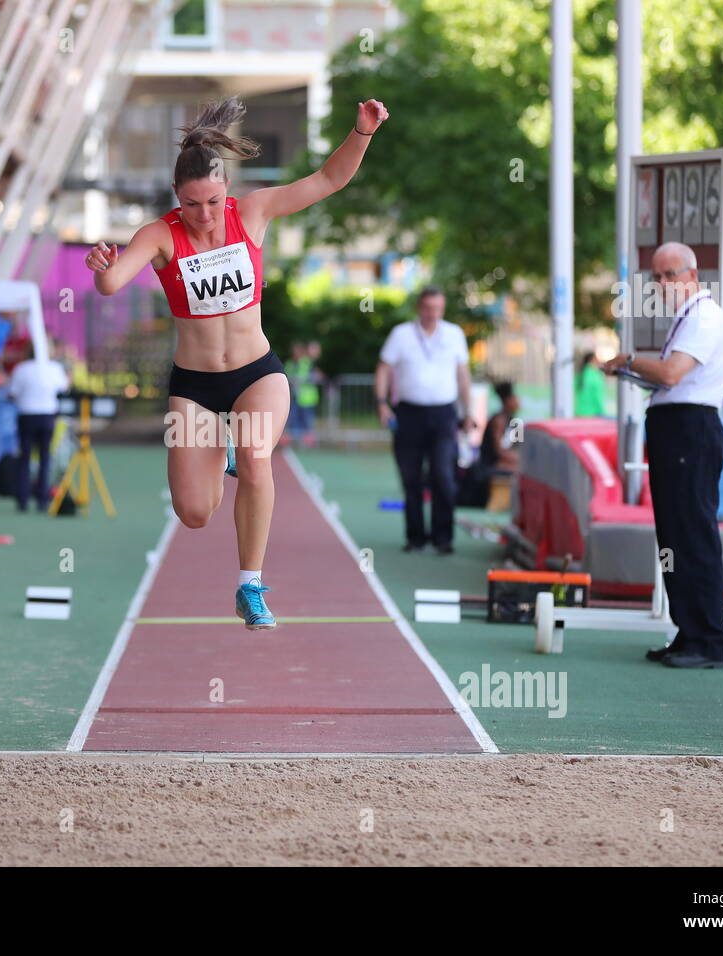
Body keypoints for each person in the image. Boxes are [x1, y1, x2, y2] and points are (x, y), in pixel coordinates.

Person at [86, 95, 389, 629]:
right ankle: (217, 451)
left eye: (211, 201)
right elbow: (112, 283)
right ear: (176, 197)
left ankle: (249, 586)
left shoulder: (252, 212)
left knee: (256, 458)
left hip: (257, 373)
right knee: (195, 513)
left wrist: (361, 133)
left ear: (226, 189)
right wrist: (100, 266)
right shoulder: (161, 235)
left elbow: (327, 181)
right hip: (195, 385)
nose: (203, 216)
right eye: (191, 204)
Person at [602, 240, 723, 669]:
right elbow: (670, 379)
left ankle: (708, 640)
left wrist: (629, 361)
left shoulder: (705, 317)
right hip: (677, 428)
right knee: (675, 537)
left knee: (692, 534)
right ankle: (689, 631)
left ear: (693, 275)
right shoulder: (688, 318)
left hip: (689, 430)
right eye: (656, 276)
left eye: (670, 274)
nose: (661, 283)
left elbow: (673, 374)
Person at [376, 286, 472, 555]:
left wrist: (468, 412)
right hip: (408, 414)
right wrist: (382, 404)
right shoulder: (401, 334)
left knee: (443, 475)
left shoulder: (454, 334)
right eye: (428, 308)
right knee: (411, 478)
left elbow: (463, 375)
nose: (432, 314)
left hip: (443, 414)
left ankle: (443, 537)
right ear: (420, 308)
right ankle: (416, 537)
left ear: (443, 309)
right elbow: (383, 369)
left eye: (437, 309)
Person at [3, 339, 70, 511]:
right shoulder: (54, 368)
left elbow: (12, 392)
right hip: (47, 415)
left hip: (26, 415)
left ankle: (23, 499)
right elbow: (63, 388)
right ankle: (42, 499)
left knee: (24, 457)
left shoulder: (22, 368)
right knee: (45, 458)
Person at [285, 341, 324, 447]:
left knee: (307, 420)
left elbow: (316, 376)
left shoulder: (307, 363)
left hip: (306, 398)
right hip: (295, 397)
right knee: (293, 418)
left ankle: (306, 441)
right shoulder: (291, 363)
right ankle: (294, 440)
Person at [575, 351, 606, 416]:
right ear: (592, 360)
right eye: (597, 359)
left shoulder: (579, 374)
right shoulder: (595, 375)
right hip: (592, 413)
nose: (598, 361)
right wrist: (601, 411)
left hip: (578, 412)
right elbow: (597, 395)